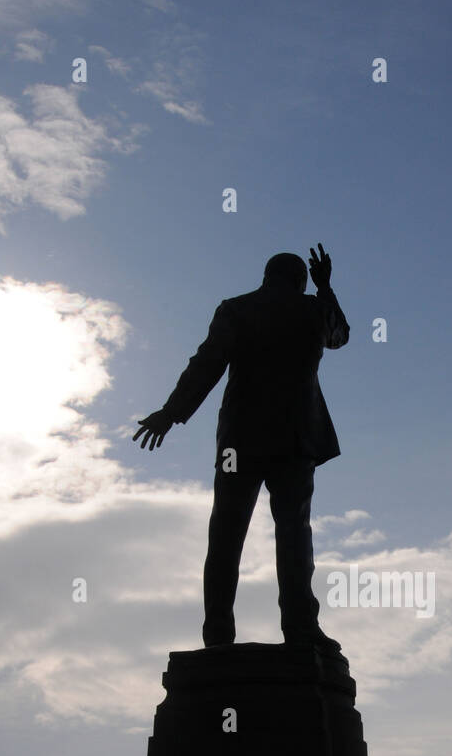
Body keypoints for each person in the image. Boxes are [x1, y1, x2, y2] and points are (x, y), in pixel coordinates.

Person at [134, 244, 349, 652]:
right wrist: (326, 290)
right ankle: (301, 628)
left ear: (266, 276)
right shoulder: (312, 310)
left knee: (227, 537)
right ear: (301, 280)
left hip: (242, 439)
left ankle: (218, 634)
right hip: (294, 438)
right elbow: (340, 335)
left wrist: (170, 413)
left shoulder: (237, 309)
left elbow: (207, 365)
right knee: (293, 535)